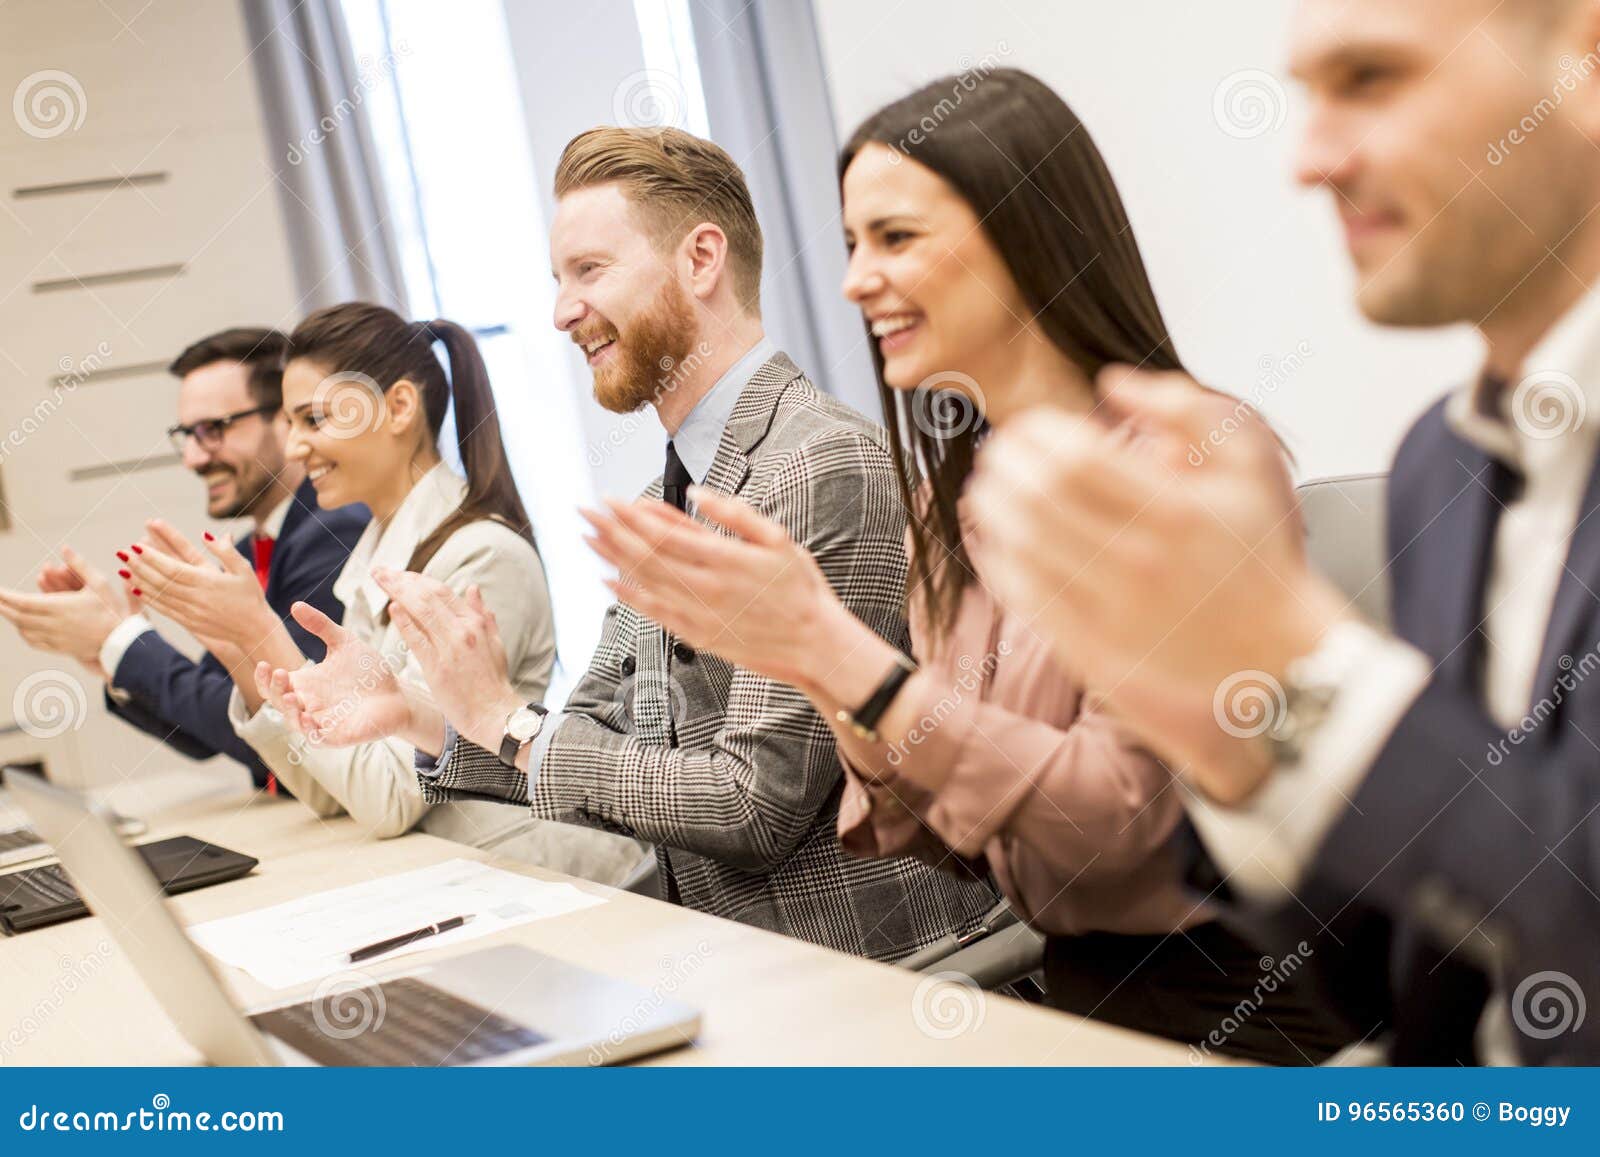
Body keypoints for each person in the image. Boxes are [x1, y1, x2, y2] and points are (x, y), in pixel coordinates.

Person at [572, 73, 1352, 1063]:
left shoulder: (1188, 465)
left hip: (1226, 1013)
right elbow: (934, 826)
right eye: (852, 243)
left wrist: (837, 653)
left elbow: (1116, 833)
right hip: (1073, 996)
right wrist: (814, 660)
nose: (853, 279)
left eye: (895, 239)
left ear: (1026, 236)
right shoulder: (957, 497)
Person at [966, 0, 1600, 1064]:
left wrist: (1297, 666)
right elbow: (1401, 985)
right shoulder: (1439, 470)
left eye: (1371, 78)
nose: (1308, 158)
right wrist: (1230, 738)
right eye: (1307, 93)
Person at [264, 126, 999, 962]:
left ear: (700, 260)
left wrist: (507, 716)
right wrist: (421, 715)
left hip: (870, 979)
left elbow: (751, 805)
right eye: (558, 279)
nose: (561, 310)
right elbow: (587, 748)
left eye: (590, 270)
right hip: (729, 967)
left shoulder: (816, 464)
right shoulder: (670, 494)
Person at [118, 303, 642, 881]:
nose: (293, 448)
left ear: (397, 407)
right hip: (447, 874)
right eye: (290, 424)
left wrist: (259, 632)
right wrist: (240, 644)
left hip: (527, 879)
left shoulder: (481, 556)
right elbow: (330, 793)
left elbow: (389, 799)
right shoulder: (375, 554)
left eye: (314, 421)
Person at [0, 328, 367, 794]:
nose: (193, 457)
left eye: (214, 430)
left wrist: (121, 639)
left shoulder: (335, 533)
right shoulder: (245, 553)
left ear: (287, 422)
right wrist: (107, 649)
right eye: (186, 435)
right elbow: (211, 727)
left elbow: (284, 735)